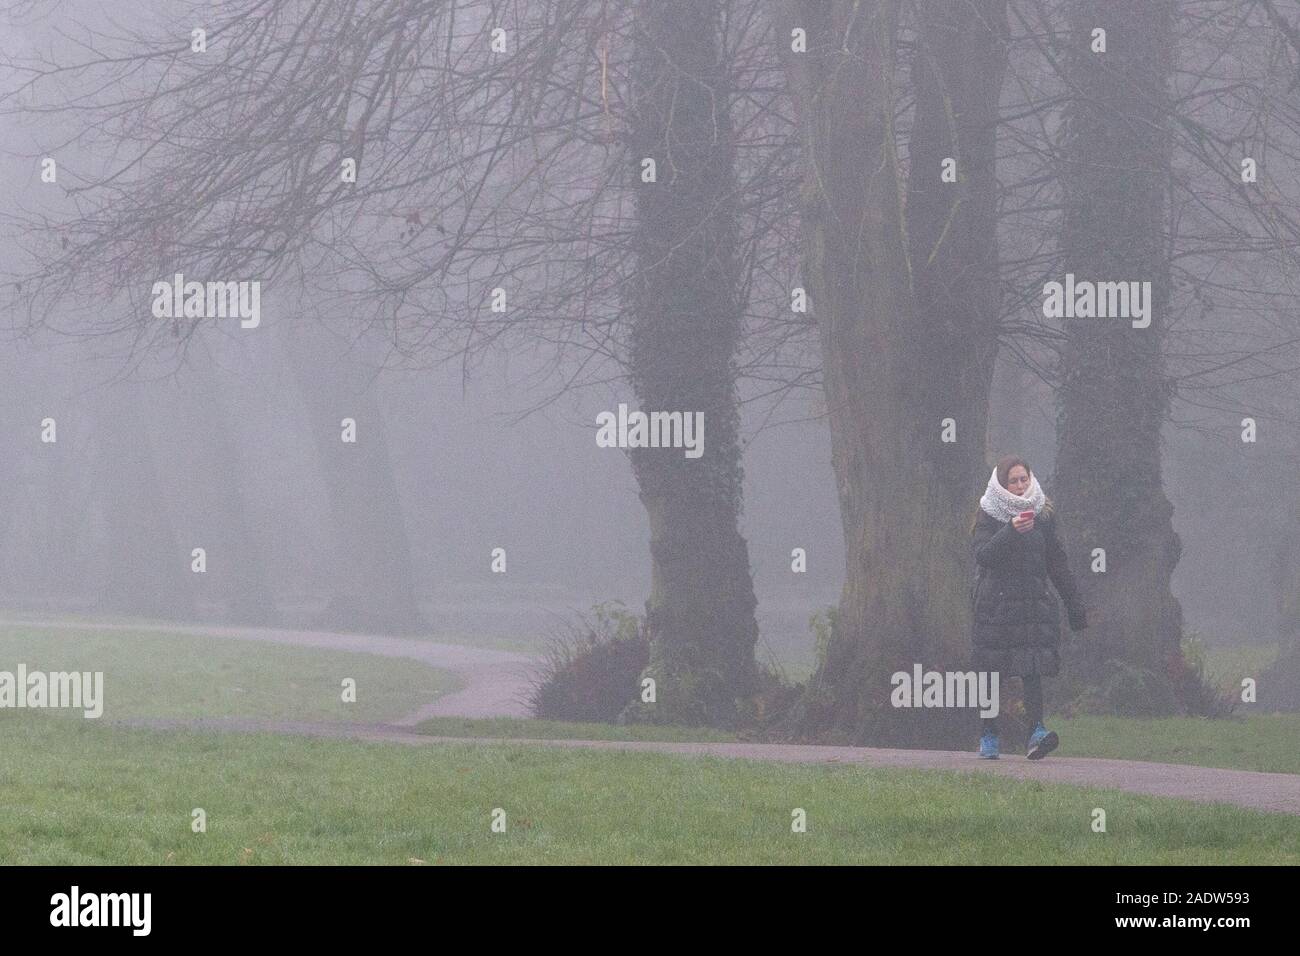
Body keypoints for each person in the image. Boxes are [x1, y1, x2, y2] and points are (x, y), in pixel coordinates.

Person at [970, 456, 1087, 759]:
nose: (1020, 486)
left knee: (1031, 671)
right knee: (991, 673)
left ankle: (1037, 732)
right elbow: (983, 555)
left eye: (1024, 479)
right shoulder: (988, 514)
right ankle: (988, 734)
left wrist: (1075, 605)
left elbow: (1057, 564)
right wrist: (1010, 530)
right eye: (1014, 481)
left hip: (1033, 608)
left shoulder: (1043, 515)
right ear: (1002, 484)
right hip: (995, 608)